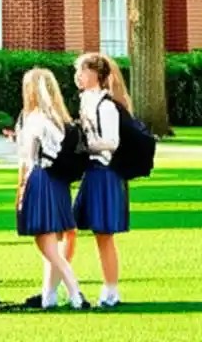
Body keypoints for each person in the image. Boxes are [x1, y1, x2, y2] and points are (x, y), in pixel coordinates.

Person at [16, 68, 89, 310]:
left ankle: (75, 292)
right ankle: (50, 296)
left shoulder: (34, 118)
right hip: (58, 182)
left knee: (46, 243)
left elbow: (28, 158)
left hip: (40, 178)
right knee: (53, 242)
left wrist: (21, 188)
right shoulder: (60, 119)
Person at [73, 52, 133, 308]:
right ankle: (59, 285)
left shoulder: (106, 106)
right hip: (92, 172)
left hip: (105, 173)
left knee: (104, 234)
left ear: (96, 75)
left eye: (83, 71)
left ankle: (111, 289)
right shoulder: (85, 101)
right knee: (73, 230)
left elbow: (113, 143)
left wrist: (88, 146)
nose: (78, 76)